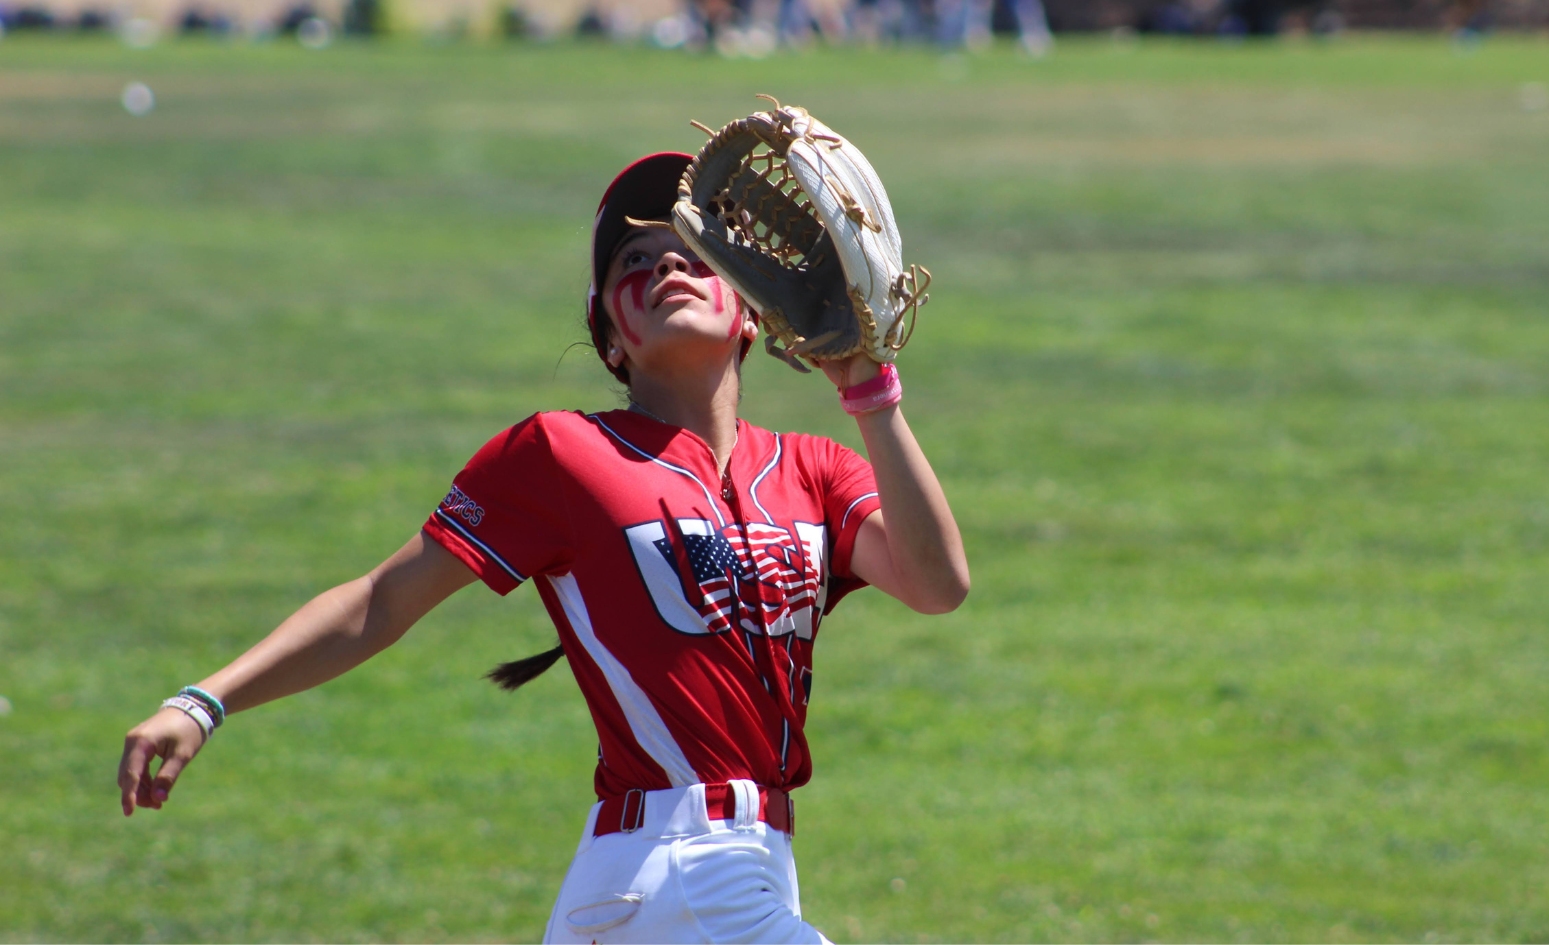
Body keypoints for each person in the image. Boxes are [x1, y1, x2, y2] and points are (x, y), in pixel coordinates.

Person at [117, 152, 969, 944]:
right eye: (632, 265)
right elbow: (382, 600)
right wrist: (203, 701)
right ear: (611, 336)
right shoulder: (562, 453)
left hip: (727, 878)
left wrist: (869, 389)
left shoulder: (813, 469)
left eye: (692, 254)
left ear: (750, 311)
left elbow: (937, 584)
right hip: (675, 872)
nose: (665, 266)